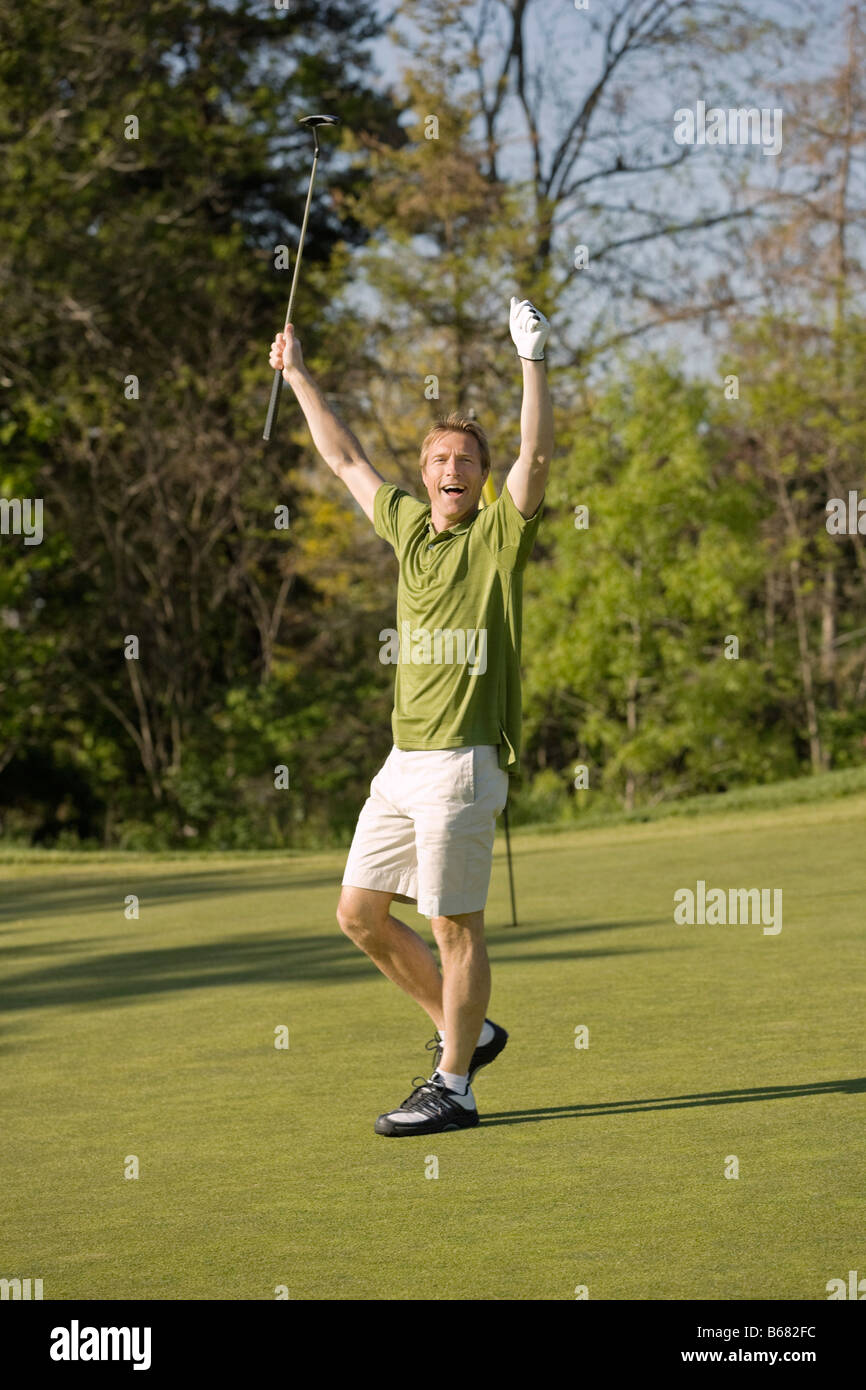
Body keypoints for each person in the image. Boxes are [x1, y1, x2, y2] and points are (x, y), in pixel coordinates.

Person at [268, 298, 553, 1135]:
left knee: (451, 925)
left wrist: (532, 360)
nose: (451, 468)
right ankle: (469, 1031)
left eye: (466, 459)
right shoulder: (407, 529)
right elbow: (347, 457)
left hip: (464, 763)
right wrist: (298, 376)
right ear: (425, 473)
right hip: (402, 764)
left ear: (479, 476)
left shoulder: (498, 538)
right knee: (358, 914)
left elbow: (534, 456)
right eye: (439, 458)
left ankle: (455, 1086)